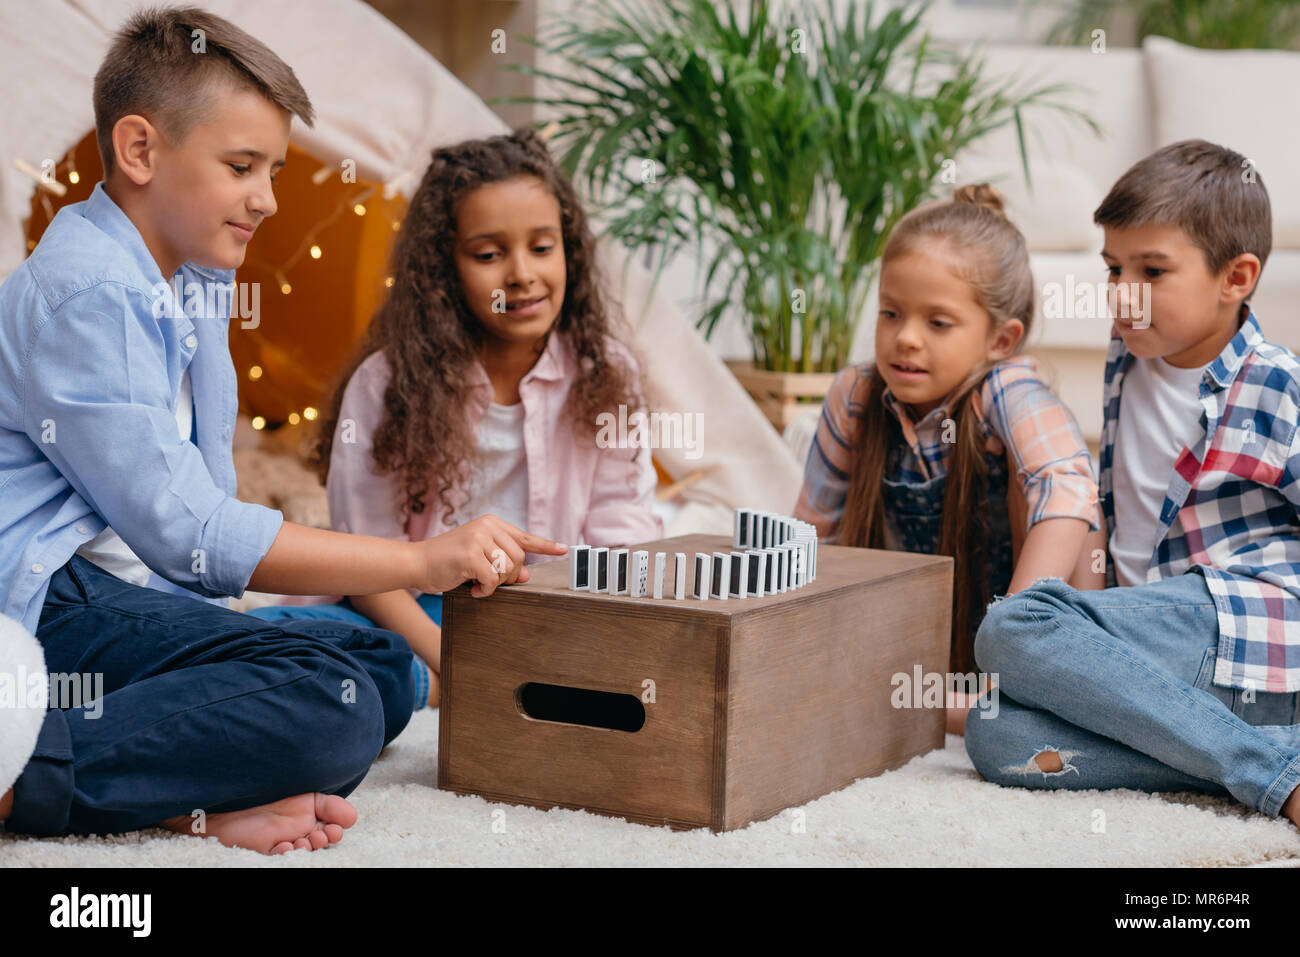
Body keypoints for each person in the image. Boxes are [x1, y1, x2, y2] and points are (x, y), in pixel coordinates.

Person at [0, 6, 564, 854]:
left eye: (273, 169)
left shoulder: (191, 274)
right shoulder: (89, 291)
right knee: (323, 697)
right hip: (49, 608)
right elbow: (188, 530)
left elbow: (203, 519)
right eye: (242, 167)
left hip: (133, 600)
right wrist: (420, 559)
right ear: (141, 150)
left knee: (377, 666)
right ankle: (24, 783)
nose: (267, 199)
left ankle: (173, 793)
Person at [246, 129, 663, 708]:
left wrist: (614, 634)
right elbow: (367, 561)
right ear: (444, 269)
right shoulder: (387, 383)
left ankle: (425, 687)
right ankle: (420, 683)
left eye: (542, 248)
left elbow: (625, 528)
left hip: (549, 612)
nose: (521, 274)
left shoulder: (604, 372)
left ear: (570, 250)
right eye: (489, 255)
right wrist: (460, 665)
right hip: (407, 614)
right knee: (296, 648)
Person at [966, 140, 1300, 830]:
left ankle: (1273, 775)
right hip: (1190, 658)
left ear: (1236, 277)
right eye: (1114, 267)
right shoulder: (1128, 359)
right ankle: (1269, 754)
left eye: (1152, 270)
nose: (1122, 293)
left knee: (1014, 624)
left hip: (1246, 624)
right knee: (998, 735)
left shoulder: (1272, 383)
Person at [795, 184, 1103, 734]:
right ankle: (944, 705)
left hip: (1024, 637)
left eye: (938, 323)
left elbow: (1069, 489)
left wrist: (1013, 635)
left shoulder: (1006, 389)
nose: (905, 339)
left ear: (1001, 339)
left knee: (1072, 505)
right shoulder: (857, 393)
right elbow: (813, 531)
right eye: (891, 313)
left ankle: (1038, 694)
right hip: (922, 639)